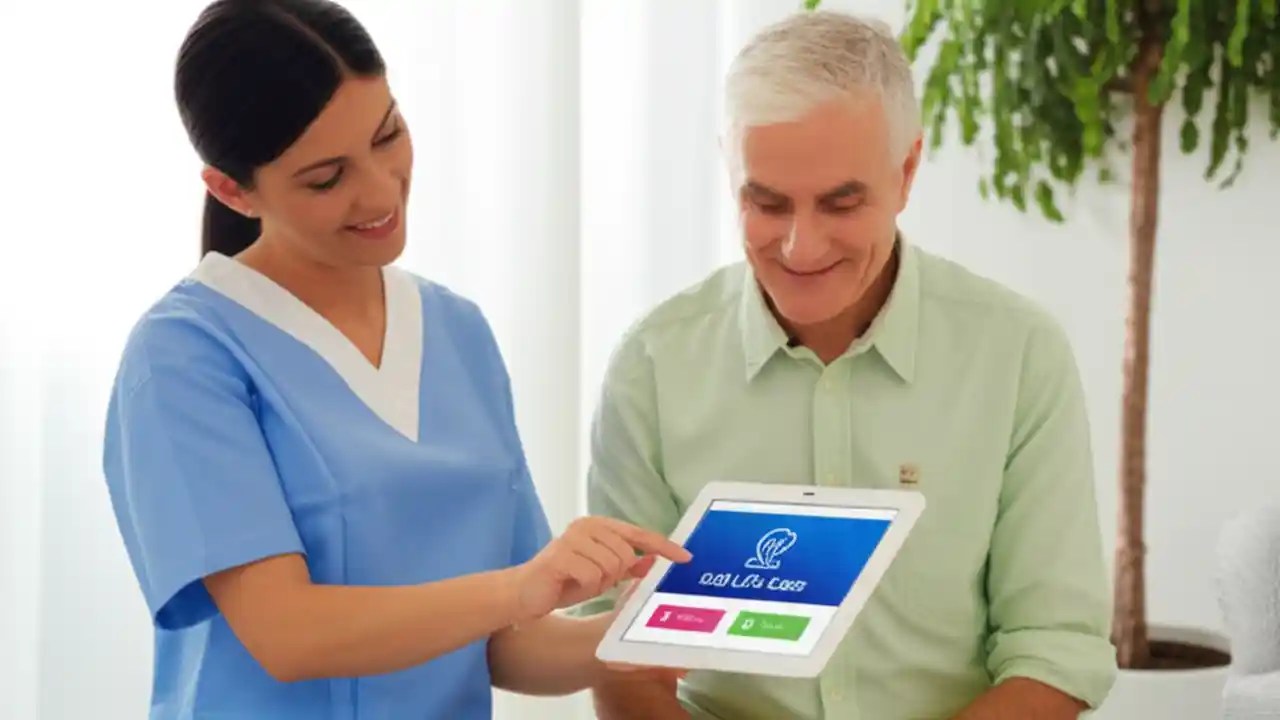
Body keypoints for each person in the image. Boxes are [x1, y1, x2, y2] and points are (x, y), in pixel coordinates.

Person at [101, 1, 689, 718]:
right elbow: (287, 635)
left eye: (389, 135)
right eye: (326, 178)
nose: (380, 190)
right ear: (233, 189)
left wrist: (644, 635)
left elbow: (505, 644)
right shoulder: (185, 356)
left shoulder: (456, 331)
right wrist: (518, 589)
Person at [579, 10, 1117, 720]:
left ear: (907, 171)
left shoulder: (1017, 354)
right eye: (766, 202)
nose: (802, 248)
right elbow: (621, 658)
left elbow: (1053, 649)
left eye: (842, 202)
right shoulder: (653, 365)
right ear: (729, 171)